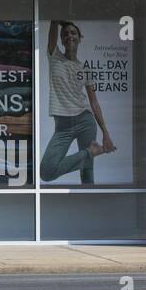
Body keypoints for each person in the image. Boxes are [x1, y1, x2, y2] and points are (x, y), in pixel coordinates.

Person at [40, 20, 115, 183]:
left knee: (87, 173)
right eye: (65, 34)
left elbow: (94, 102)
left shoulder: (85, 69)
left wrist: (106, 133)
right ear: (61, 40)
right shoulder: (55, 57)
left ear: (80, 38)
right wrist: (59, 21)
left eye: (73, 33)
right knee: (46, 171)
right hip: (62, 125)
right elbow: (53, 24)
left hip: (85, 121)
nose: (69, 36)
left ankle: (90, 204)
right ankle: (90, 152)